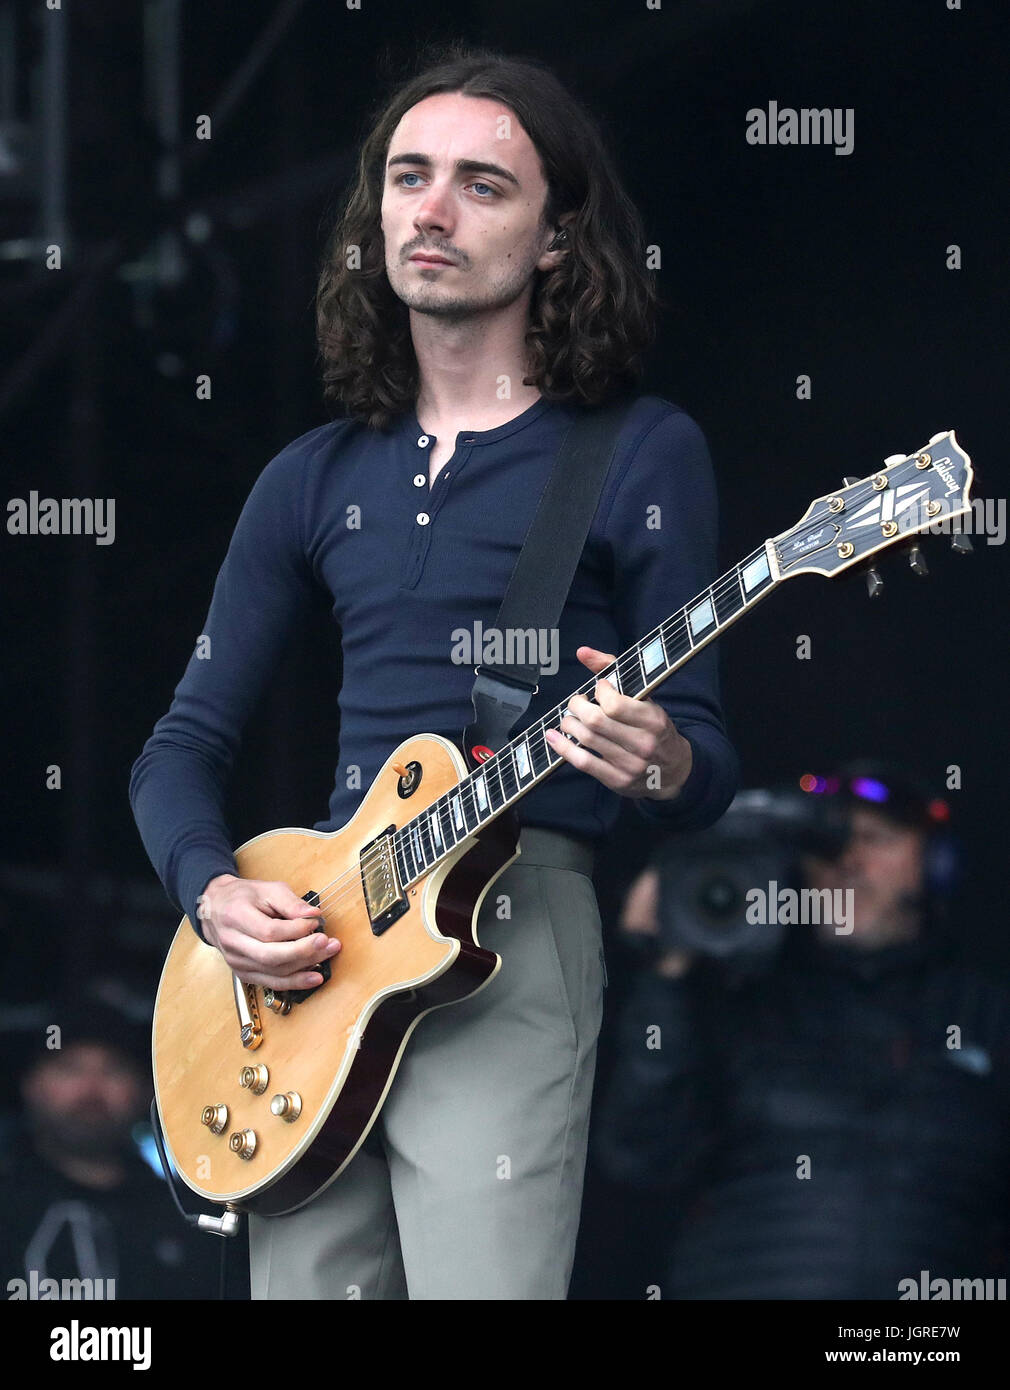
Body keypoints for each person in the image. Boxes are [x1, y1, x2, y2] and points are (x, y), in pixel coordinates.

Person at [129, 44, 739, 1300]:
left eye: (482, 184)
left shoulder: (635, 452)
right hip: (312, 958)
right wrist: (212, 897)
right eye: (409, 177)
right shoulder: (311, 474)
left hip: (513, 933)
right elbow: (178, 749)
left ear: (556, 237)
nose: (433, 209)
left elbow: (704, 764)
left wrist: (662, 758)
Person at [592, 762, 1010, 1299]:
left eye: (875, 839)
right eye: (827, 847)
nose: (850, 862)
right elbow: (640, 1159)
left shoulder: (989, 1020)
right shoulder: (740, 997)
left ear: (935, 865)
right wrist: (669, 973)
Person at [0, 1000, 227, 1299]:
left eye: (114, 1070)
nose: (91, 1090)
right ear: (31, 1085)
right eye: (70, 1068)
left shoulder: (191, 1217)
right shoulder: (9, 1205)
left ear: (145, 1090)